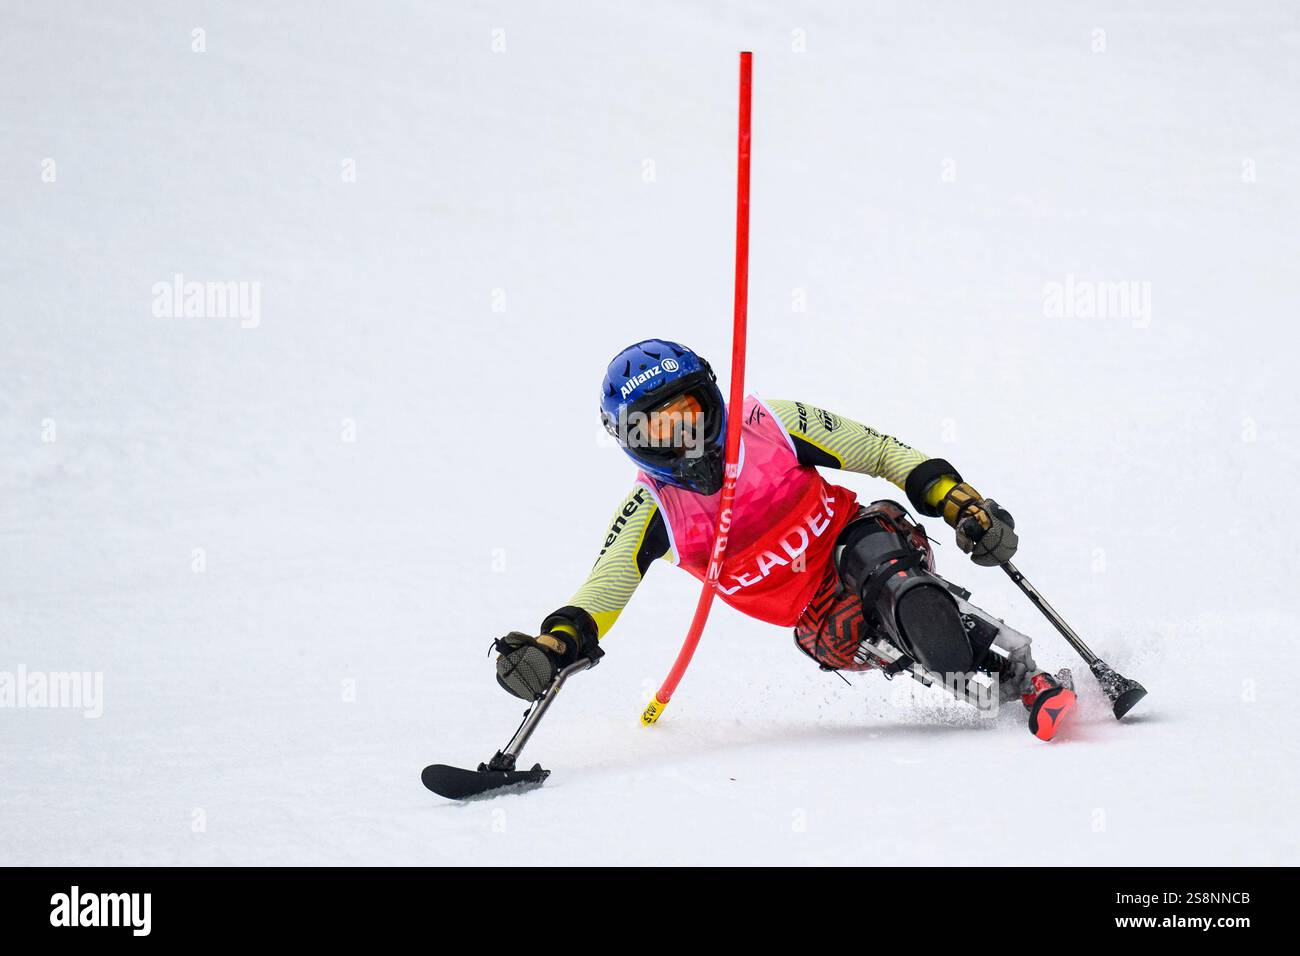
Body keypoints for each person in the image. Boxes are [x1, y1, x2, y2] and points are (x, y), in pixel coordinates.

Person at [493, 339, 1075, 740]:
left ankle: (1027, 678)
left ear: (713, 398)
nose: (687, 440)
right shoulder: (654, 510)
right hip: (819, 619)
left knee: (886, 576)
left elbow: (881, 452)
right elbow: (599, 595)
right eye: (659, 430)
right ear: (629, 441)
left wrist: (959, 500)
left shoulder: (768, 424)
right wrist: (553, 648)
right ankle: (1005, 689)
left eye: (691, 415)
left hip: (859, 537)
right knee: (884, 633)